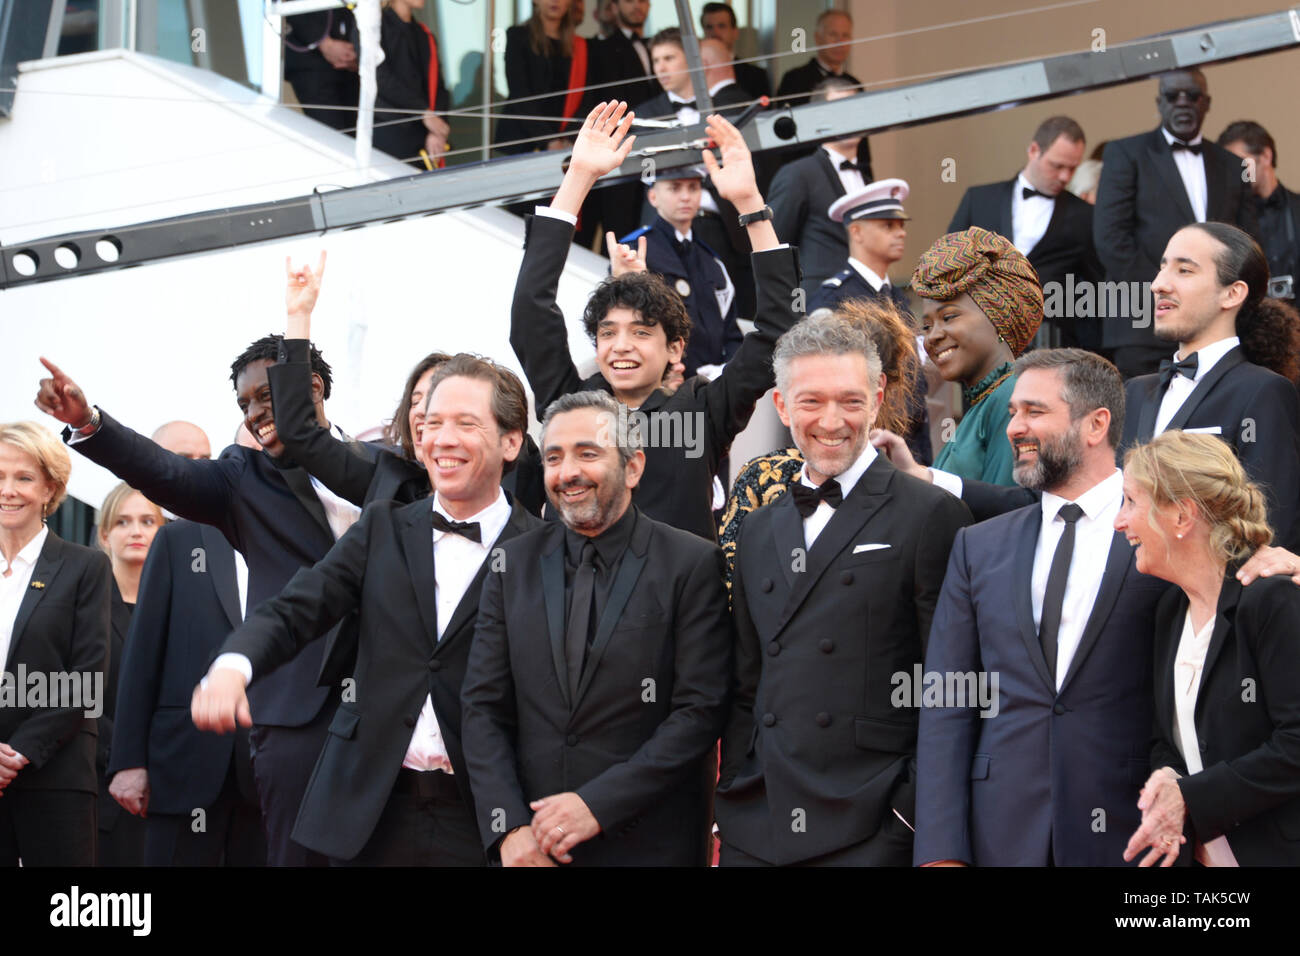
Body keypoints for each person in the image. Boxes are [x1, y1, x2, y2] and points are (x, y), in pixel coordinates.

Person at [192, 356, 544, 866]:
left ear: (511, 442)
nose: (443, 439)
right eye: (432, 423)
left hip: (489, 819)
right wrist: (233, 666)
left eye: (466, 424)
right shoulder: (383, 527)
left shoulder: (547, 550)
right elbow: (297, 607)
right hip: (373, 814)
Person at [34, 342, 361, 868]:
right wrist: (90, 422)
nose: (254, 415)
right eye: (243, 404)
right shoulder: (244, 478)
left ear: (312, 388)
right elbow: (167, 473)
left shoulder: (390, 466)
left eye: (265, 397)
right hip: (288, 724)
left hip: (393, 715)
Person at [714, 314, 971, 866]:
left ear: (877, 399)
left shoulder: (932, 515)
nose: (832, 421)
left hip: (871, 823)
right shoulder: (759, 527)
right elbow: (745, 680)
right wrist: (735, 785)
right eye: (811, 402)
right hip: (757, 821)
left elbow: (951, 685)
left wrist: (909, 815)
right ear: (782, 407)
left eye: (850, 401)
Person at [915, 350, 1166, 866]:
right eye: (1012, 413)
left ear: (1096, 424)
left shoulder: (1166, 533)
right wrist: (940, 852)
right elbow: (947, 703)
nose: (1015, 427)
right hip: (1001, 833)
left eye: (1034, 411)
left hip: (1133, 833)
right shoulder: (977, 546)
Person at [460, 390, 731, 866]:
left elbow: (699, 712)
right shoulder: (511, 562)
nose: (568, 473)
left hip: (650, 844)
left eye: (588, 453)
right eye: (554, 457)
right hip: (532, 850)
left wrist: (596, 805)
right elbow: (483, 705)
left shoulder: (690, 563)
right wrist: (509, 830)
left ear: (632, 466)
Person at [510, 102, 800, 541]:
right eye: (608, 332)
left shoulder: (703, 410)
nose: (620, 345)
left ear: (676, 347)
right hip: (577, 603)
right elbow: (531, 311)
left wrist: (749, 204)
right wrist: (579, 178)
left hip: (681, 606)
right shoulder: (571, 403)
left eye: (641, 332)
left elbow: (778, 331)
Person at [1118, 431, 1300, 866]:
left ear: (1182, 516)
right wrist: (1166, 776)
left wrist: (1191, 798)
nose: (1119, 522)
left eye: (1130, 502)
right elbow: (1170, 738)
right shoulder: (1169, 610)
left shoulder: (1272, 600)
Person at [273, 254, 546, 513]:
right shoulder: (388, 481)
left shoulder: (512, 464)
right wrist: (299, 316)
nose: (420, 412)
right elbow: (300, 432)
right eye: (414, 401)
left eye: (434, 400)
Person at [718, 297, 930, 582]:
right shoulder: (762, 478)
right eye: (813, 397)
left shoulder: (918, 499)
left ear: (879, 388)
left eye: (850, 395)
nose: (831, 420)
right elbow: (733, 588)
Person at [1119, 222, 1300, 549]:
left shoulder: (1263, 392)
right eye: (1162, 268)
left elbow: (1270, 529)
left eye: (1184, 270)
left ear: (1232, 293)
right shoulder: (1134, 392)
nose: (1159, 285)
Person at [1093, 69, 1259, 378]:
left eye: (1192, 96)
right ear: (1159, 103)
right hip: (1143, 327)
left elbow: (1246, 244)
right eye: (1172, 96)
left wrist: (1214, 303)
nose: (1182, 103)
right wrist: (1171, 293)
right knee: (1143, 425)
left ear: (1206, 103)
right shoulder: (1125, 153)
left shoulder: (1232, 165)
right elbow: (1111, 239)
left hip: (1217, 331)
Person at [0, 421, 111, 867]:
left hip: (56, 773)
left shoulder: (85, 566)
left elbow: (86, 675)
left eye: (23, 477)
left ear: (51, 488)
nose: (8, 490)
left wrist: (18, 753)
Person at [948, 116, 1105, 350]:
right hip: (982, 342)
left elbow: (1097, 288)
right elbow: (949, 266)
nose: (1065, 177)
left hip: (1051, 344)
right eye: (1057, 166)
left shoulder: (1084, 215)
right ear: (1033, 150)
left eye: (1072, 168)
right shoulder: (979, 200)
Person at [915, 227, 1042, 486]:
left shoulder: (1012, 398)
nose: (932, 337)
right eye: (926, 326)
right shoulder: (984, 402)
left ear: (999, 319)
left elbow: (1005, 513)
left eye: (949, 317)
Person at [94, 483, 163, 867]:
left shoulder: (182, 606)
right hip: (99, 786)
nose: (136, 531)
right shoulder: (80, 606)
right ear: (104, 534)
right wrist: (127, 757)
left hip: (171, 786)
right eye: (123, 522)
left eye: (147, 521)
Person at [618, 166, 742, 378]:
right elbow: (629, 325)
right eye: (675, 188)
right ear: (653, 196)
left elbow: (731, 333)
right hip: (663, 383)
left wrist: (727, 372)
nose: (686, 197)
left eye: (693, 188)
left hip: (715, 387)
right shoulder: (635, 252)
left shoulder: (711, 261)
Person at [768, 76, 871, 293]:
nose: (850, 118)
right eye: (839, 110)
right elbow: (773, 250)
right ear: (818, 119)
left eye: (855, 109)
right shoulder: (798, 173)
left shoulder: (867, 179)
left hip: (867, 304)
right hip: (818, 308)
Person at [1219, 120, 1300, 303]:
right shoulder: (1227, 217)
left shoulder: (1296, 207)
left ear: (1265, 156)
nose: (1234, 174)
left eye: (1239, 164)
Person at [496, 0, 589, 155]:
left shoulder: (580, 45)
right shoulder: (517, 36)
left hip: (565, 143)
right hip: (522, 140)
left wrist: (569, 137)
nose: (555, 1)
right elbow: (519, 93)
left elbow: (586, 98)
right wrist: (548, 140)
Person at [810, 178, 912, 315]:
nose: (902, 233)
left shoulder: (897, 296)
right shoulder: (833, 299)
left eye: (901, 225)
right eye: (888, 225)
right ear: (856, 232)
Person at [372, 0, 451, 169]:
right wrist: (424, 113)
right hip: (391, 133)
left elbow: (439, 87)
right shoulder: (372, 27)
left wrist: (436, 129)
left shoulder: (424, 34)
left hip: (426, 137)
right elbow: (381, 78)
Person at [283, 7, 360, 133]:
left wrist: (359, 52)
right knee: (332, 139)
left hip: (352, 60)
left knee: (356, 137)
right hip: (311, 64)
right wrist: (324, 43)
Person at [775, 9, 858, 106]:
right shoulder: (795, 80)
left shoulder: (855, 84)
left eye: (845, 35)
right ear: (818, 38)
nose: (840, 42)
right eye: (833, 34)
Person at [700, 2, 769, 102]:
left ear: (735, 32)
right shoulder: (693, 73)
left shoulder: (756, 76)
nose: (715, 32)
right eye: (709, 27)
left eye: (721, 26)